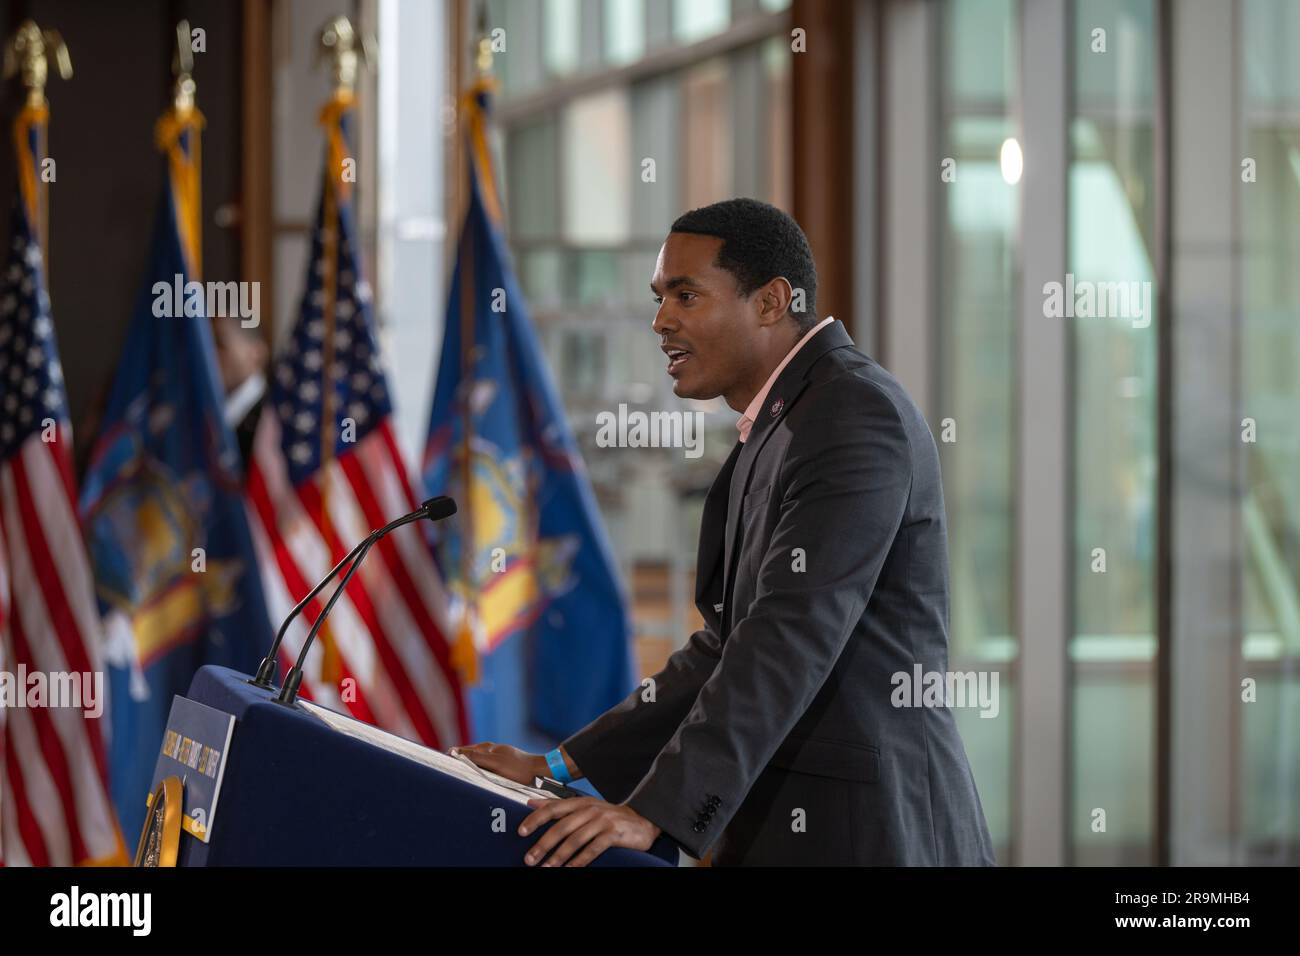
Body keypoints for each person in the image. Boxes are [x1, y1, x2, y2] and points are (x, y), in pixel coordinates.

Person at [457, 198, 996, 867]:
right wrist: (560, 766)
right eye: (659, 298)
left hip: (870, 834)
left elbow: (788, 636)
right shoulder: (782, 421)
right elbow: (725, 646)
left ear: (770, 301)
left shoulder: (854, 415)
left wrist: (653, 812)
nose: (661, 321)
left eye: (686, 295)